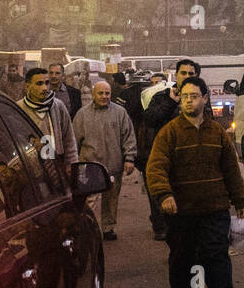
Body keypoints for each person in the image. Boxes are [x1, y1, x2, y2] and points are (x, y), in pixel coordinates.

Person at [145, 77, 244, 288]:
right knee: (183, 258)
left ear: (204, 98)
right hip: (181, 211)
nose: (189, 100)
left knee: (217, 254)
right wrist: (164, 195)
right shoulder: (170, 133)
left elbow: (232, 169)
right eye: (185, 96)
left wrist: (240, 200)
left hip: (215, 208)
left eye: (194, 96)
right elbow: (156, 167)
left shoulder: (217, 133)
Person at [72, 81, 136, 240]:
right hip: (89, 166)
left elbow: (128, 137)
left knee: (111, 200)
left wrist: (129, 158)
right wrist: (73, 164)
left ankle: (108, 228)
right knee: (89, 201)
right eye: (100, 93)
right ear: (93, 94)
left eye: (107, 93)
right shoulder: (82, 114)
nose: (104, 96)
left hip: (113, 165)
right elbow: (74, 140)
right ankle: (88, 228)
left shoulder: (120, 113)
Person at [138, 78, 179, 240]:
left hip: (174, 156)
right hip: (153, 154)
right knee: (157, 191)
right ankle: (160, 225)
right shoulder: (157, 99)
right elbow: (149, 121)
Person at [18, 67, 79, 170]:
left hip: (56, 165)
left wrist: (71, 166)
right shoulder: (20, 108)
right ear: (27, 86)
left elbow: (69, 139)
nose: (45, 88)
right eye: (39, 83)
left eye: (47, 83)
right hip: (31, 169)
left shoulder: (58, 106)